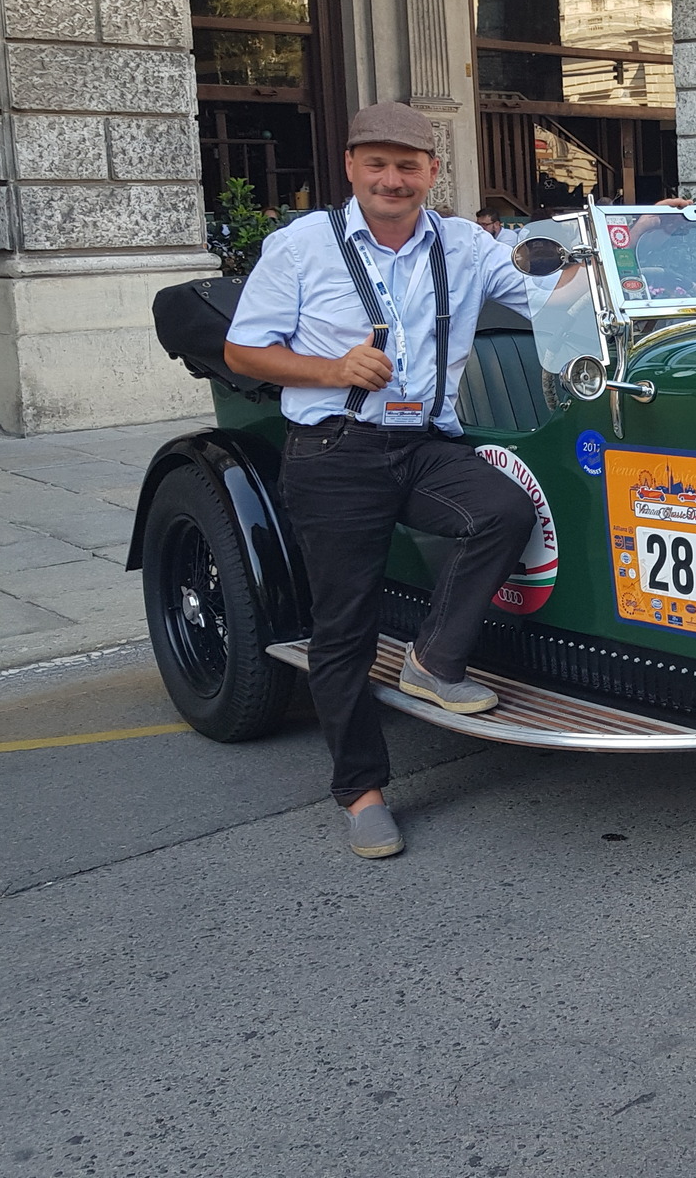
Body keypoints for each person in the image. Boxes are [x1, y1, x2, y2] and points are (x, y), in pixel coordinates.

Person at [220, 105, 541, 859]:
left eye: (408, 165)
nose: (392, 179)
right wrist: (331, 368)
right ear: (350, 166)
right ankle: (362, 793)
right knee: (345, 626)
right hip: (334, 448)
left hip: (422, 442)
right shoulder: (303, 244)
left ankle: (433, 660)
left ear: (433, 171)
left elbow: (548, 288)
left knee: (501, 510)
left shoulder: (466, 244)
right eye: (377, 164)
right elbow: (243, 350)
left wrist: (638, 243)